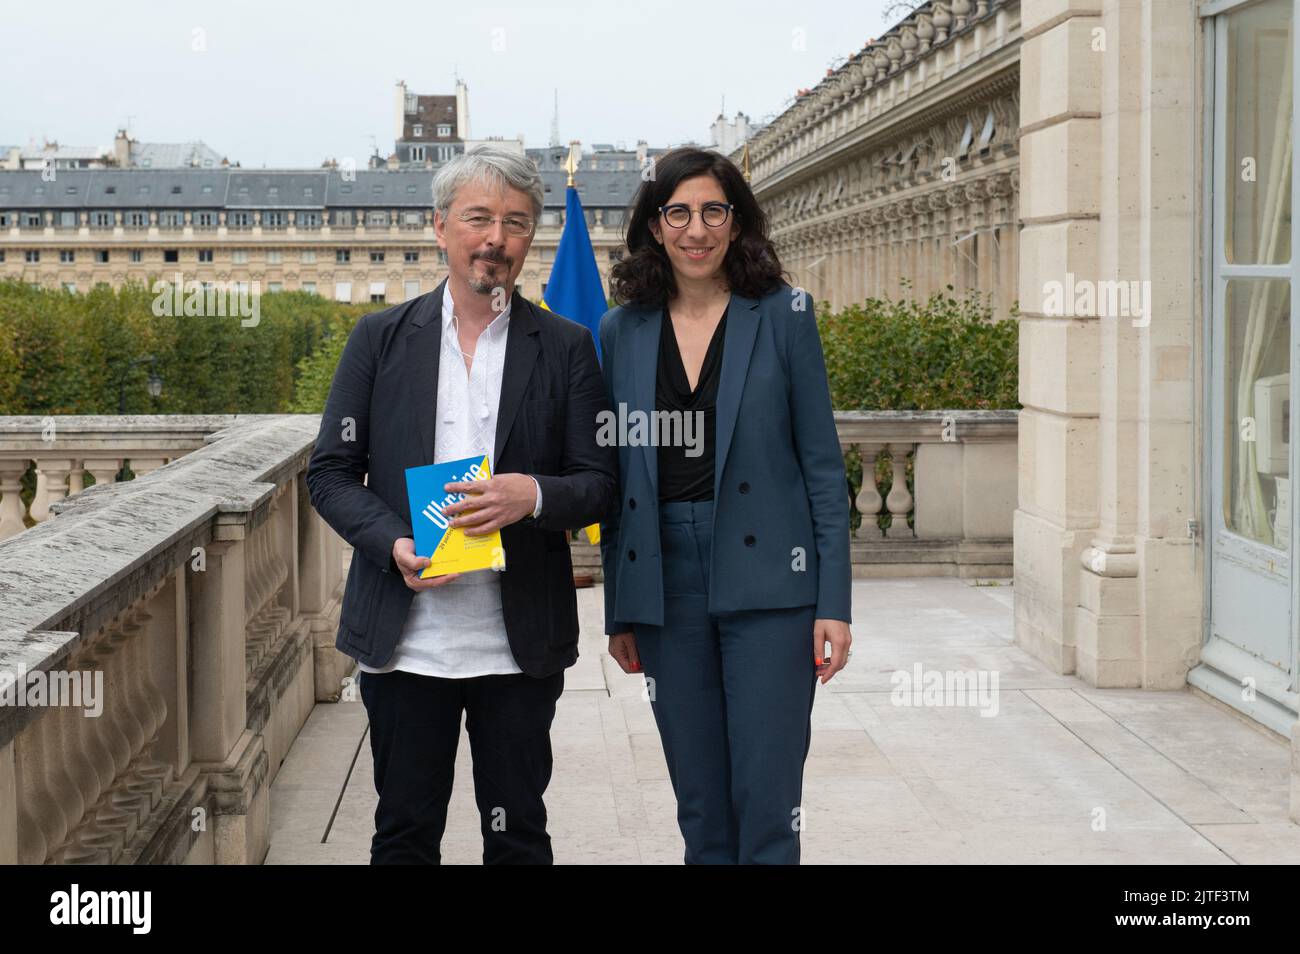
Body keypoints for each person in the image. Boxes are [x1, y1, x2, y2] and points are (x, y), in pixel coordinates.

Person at [306, 145, 616, 864]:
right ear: (440, 225)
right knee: (405, 836)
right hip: (406, 643)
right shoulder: (380, 340)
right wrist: (393, 545)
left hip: (517, 645)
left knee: (518, 839)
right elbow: (330, 474)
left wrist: (530, 495)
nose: (495, 239)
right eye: (478, 218)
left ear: (531, 237)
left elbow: (602, 482)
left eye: (514, 222)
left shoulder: (569, 348)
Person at [599, 146, 852, 864]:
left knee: (768, 805)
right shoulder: (623, 331)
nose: (696, 229)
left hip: (773, 581)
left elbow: (823, 470)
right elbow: (618, 483)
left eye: (713, 210)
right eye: (677, 212)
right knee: (701, 808)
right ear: (654, 226)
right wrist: (622, 605)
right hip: (666, 583)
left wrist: (833, 601)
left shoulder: (783, 315)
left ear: (736, 222)